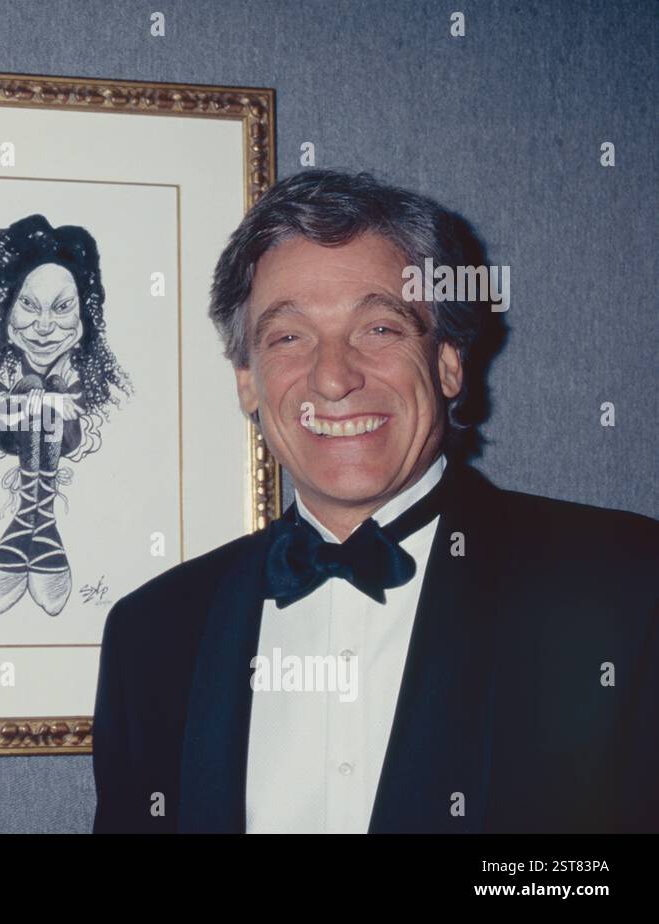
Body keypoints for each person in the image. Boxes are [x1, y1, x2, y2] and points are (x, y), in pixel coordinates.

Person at [92, 169, 659, 833]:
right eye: (288, 336)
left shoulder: (627, 587)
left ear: (449, 361)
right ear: (247, 381)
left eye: (381, 329)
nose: (334, 377)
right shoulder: (152, 635)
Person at [0, 214, 130, 617]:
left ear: (83, 314)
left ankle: (32, 526)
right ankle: (37, 527)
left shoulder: (106, 394)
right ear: (5, 311)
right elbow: (0, 436)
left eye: (61, 307)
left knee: (47, 397)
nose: (43, 327)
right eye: (28, 305)